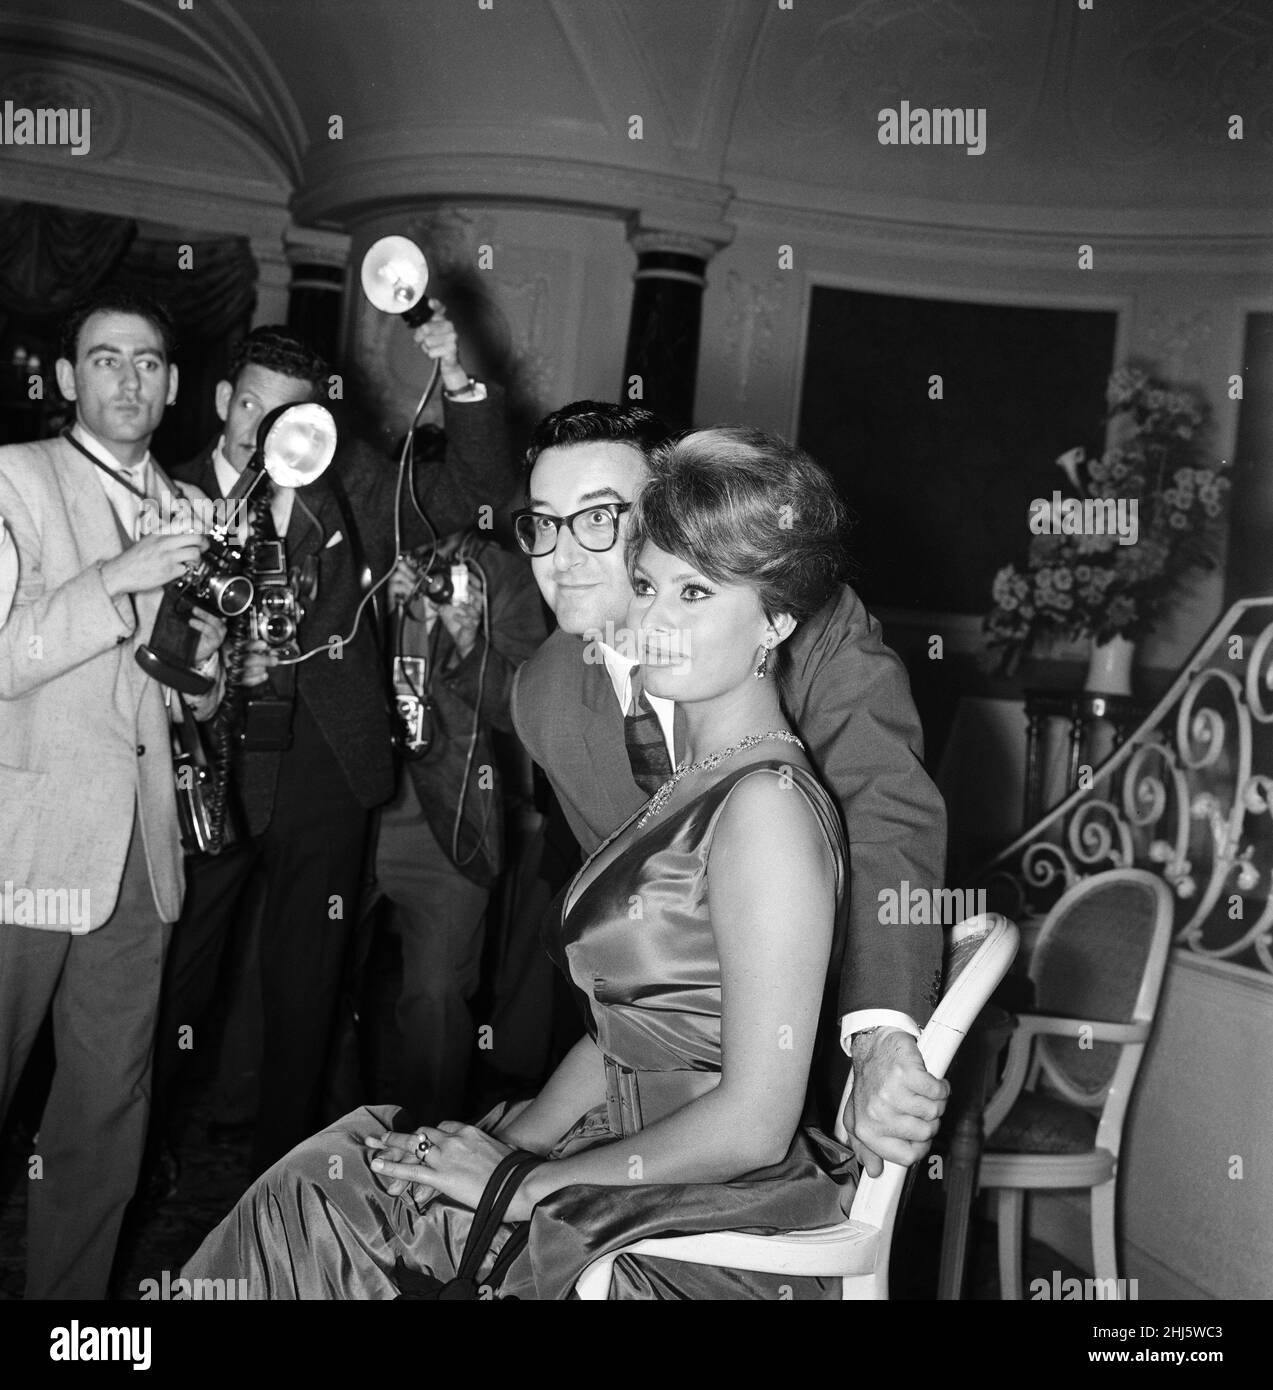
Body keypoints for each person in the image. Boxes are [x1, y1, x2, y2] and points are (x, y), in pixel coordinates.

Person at [183, 426, 862, 1298]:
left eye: (696, 593)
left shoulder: (762, 805)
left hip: (698, 1203)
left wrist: (518, 1183)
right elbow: (630, 1024)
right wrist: (522, 1140)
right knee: (354, 1165)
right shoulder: (695, 778)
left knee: (328, 1196)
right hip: (626, 1154)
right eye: (649, 585)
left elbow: (758, 1124)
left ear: (774, 617)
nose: (654, 621)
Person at [509, 402, 951, 1172]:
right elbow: (643, 958)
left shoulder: (807, 620)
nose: (562, 556)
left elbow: (886, 812)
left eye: (598, 519)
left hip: (807, 1060)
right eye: (542, 523)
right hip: (651, 1077)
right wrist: (520, 1150)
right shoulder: (543, 693)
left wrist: (881, 1034)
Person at [153, 310, 512, 1174]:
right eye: (250, 406)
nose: (262, 430)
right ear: (220, 401)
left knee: (307, 992)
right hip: (206, 768)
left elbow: (475, 491)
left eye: (288, 416)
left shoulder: (352, 480)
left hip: (323, 763)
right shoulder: (165, 493)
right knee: (177, 977)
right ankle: (144, 1148)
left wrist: (460, 383)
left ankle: (282, 1180)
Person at [0, 286, 225, 1299]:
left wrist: (211, 668)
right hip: (27, 843)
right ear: (63, 380)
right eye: (103, 359)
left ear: (173, 385)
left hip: (142, 851)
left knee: (105, 1107)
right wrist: (124, 575)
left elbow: (170, 695)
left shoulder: (192, 510)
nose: (128, 378)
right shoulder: (16, 479)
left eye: (146, 362)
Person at [363, 518, 547, 1122]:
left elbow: (524, 705)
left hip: (448, 811)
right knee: (315, 984)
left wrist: (470, 641)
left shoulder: (503, 575)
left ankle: (427, 1151)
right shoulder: (359, 548)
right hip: (348, 809)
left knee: (437, 999)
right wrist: (370, 619)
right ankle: (326, 1144)